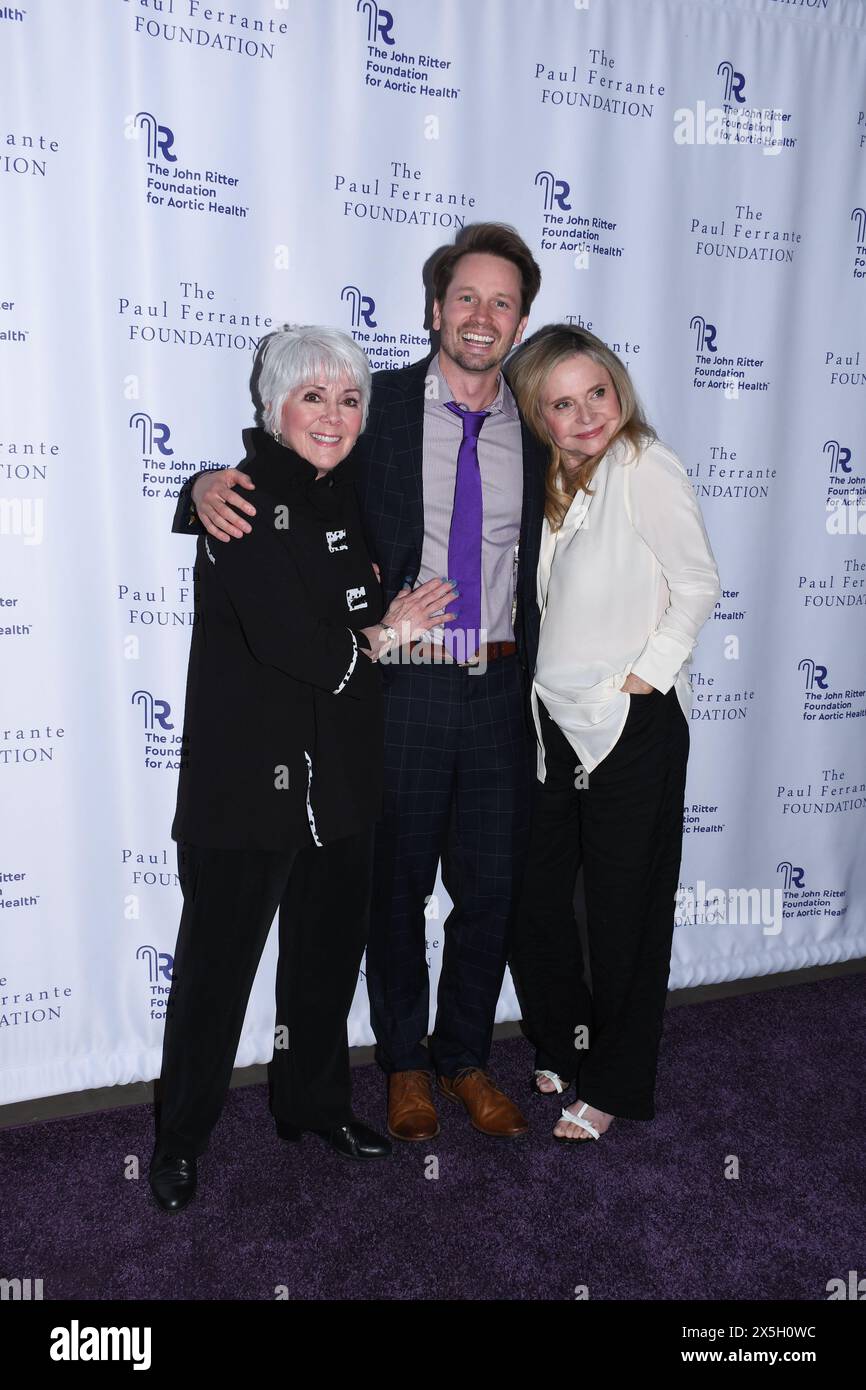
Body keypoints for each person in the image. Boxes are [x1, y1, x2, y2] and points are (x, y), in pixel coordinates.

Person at [172, 224, 548, 1142]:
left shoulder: (538, 427)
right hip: (399, 686)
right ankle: (405, 1068)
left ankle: (465, 1059)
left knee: (490, 892)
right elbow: (285, 466)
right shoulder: (379, 408)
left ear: (522, 319)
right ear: (434, 309)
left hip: (499, 685)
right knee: (393, 894)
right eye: (466, 297)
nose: (481, 316)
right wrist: (196, 487)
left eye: (502, 301)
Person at [150, 325, 456, 1211]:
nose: (334, 413)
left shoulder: (357, 495)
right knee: (215, 979)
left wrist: (389, 621)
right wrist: (385, 638)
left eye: (350, 397)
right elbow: (293, 644)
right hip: (247, 790)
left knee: (324, 967)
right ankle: (178, 1142)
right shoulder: (237, 498)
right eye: (312, 396)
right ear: (273, 406)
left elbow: (359, 623)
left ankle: (313, 1107)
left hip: (346, 783)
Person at [505, 324, 721, 1145]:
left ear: (619, 389)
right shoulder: (555, 480)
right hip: (554, 728)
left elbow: (697, 582)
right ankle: (566, 1042)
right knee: (541, 901)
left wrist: (646, 676)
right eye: (562, 402)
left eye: (597, 392)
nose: (586, 412)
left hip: (632, 724)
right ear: (541, 417)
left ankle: (616, 1084)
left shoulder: (642, 464)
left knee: (627, 916)